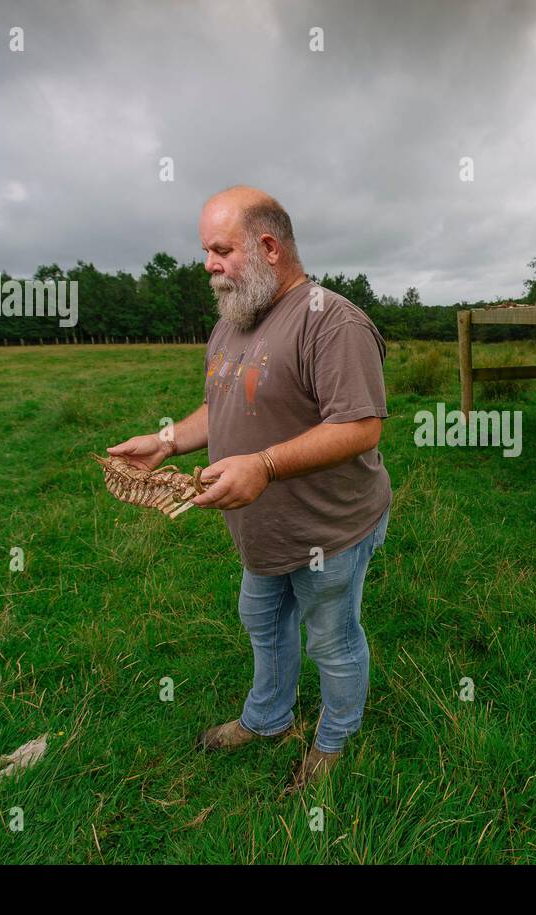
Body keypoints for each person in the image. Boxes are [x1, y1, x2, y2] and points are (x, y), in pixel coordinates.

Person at [107, 186, 391, 796]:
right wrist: (164, 441)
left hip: (329, 530)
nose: (208, 265)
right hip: (264, 531)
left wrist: (262, 464)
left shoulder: (331, 320)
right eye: (205, 251)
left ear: (268, 247)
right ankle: (268, 720)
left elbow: (361, 425)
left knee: (332, 640)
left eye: (220, 250)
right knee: (261, 621)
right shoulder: (236, 319)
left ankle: (334, 741)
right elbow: (224, 404)